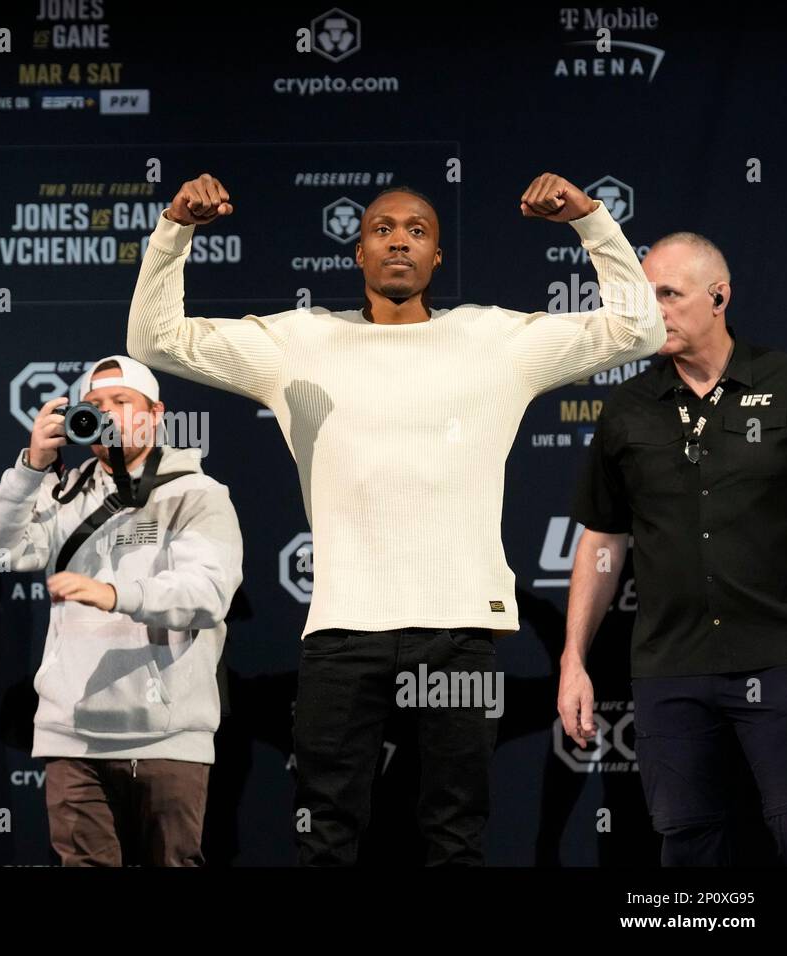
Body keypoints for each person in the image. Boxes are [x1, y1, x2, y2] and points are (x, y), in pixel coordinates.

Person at [127, 171, 665, 865]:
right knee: (326, 836)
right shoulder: (297, 345)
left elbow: (639, 329)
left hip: (460, 630)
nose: (400, 242)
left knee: (455, 836)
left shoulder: (495, 341)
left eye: (418, 231)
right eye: (382, 229)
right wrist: (175, 230)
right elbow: (154, 341)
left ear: (437, 256)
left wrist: (590, 221)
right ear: (358, 255)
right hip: (343, 630)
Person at [560, 231, 787, 866]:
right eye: (644, 298)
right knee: (690, 847)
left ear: (718, 296)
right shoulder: (628, 408)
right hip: (672, 670)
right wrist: (573, 659)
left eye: (667, 295)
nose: (652, 312)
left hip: (785, 660)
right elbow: (604, 538)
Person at [0, 356, 243, 865]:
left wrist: (117, 594)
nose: (108, 414)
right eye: (95, 406)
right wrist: (29, 469)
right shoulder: (63, 493)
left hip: (168, 736)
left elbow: (207, 593)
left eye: (122, 403)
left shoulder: (196, 494)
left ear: (156, 413)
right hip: (72, 735)